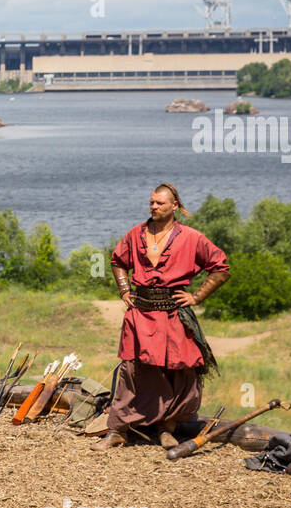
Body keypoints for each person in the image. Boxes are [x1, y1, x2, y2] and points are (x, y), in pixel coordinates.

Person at [93, 183, 230, 451]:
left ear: (174, 206)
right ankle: (118, 429)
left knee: (177, 371)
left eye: (160, 203)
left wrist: (197, 296)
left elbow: (221, 268)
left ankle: (167, 428)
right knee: (132, 370)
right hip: (140, 314)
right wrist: (124, 289)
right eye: (151, 203)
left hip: (174, 315)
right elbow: (118, 261)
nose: (153, 207)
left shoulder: (192, 238)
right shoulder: (136, 234)